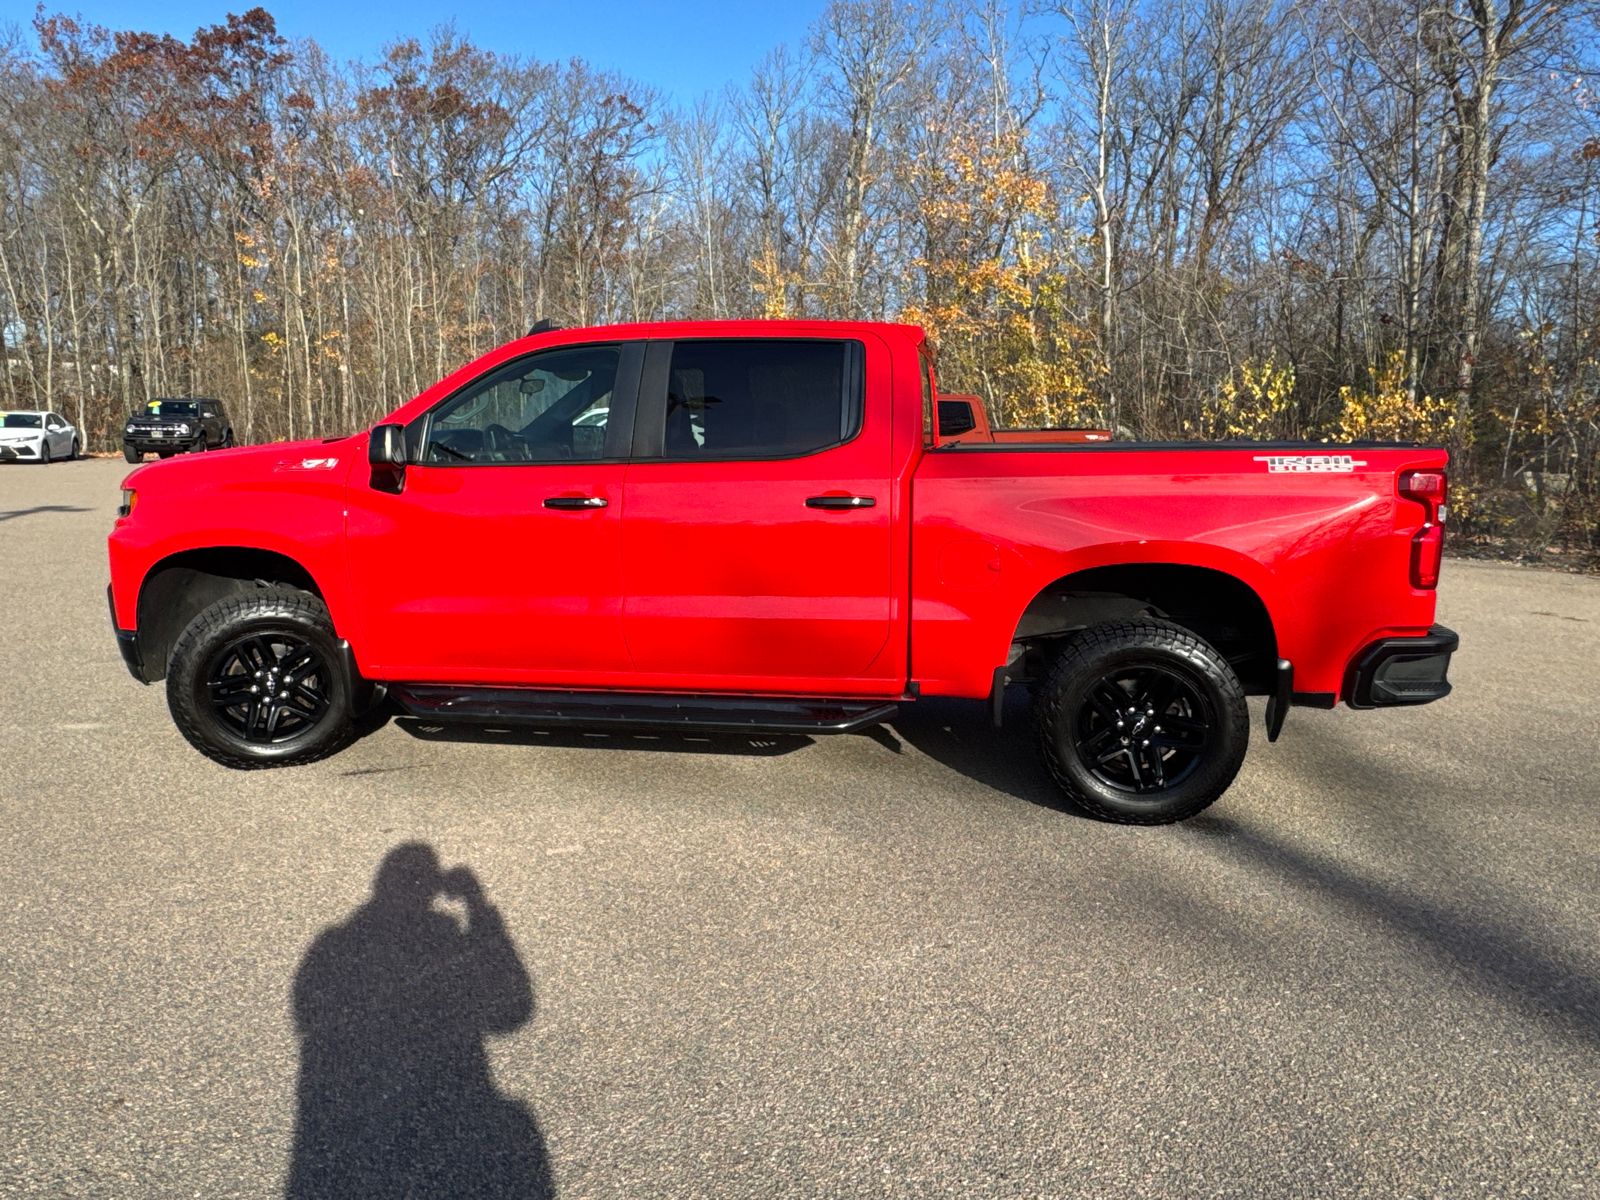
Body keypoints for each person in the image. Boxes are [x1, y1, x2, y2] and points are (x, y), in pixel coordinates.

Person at [286, 843, 553, 1198]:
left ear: (379, 886)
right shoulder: (445, 950)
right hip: (446, 1140)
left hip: (353, 1147)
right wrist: (478, 907)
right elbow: (511, 1009)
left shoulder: (333, 951)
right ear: (432, 891)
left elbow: (311, 1022)